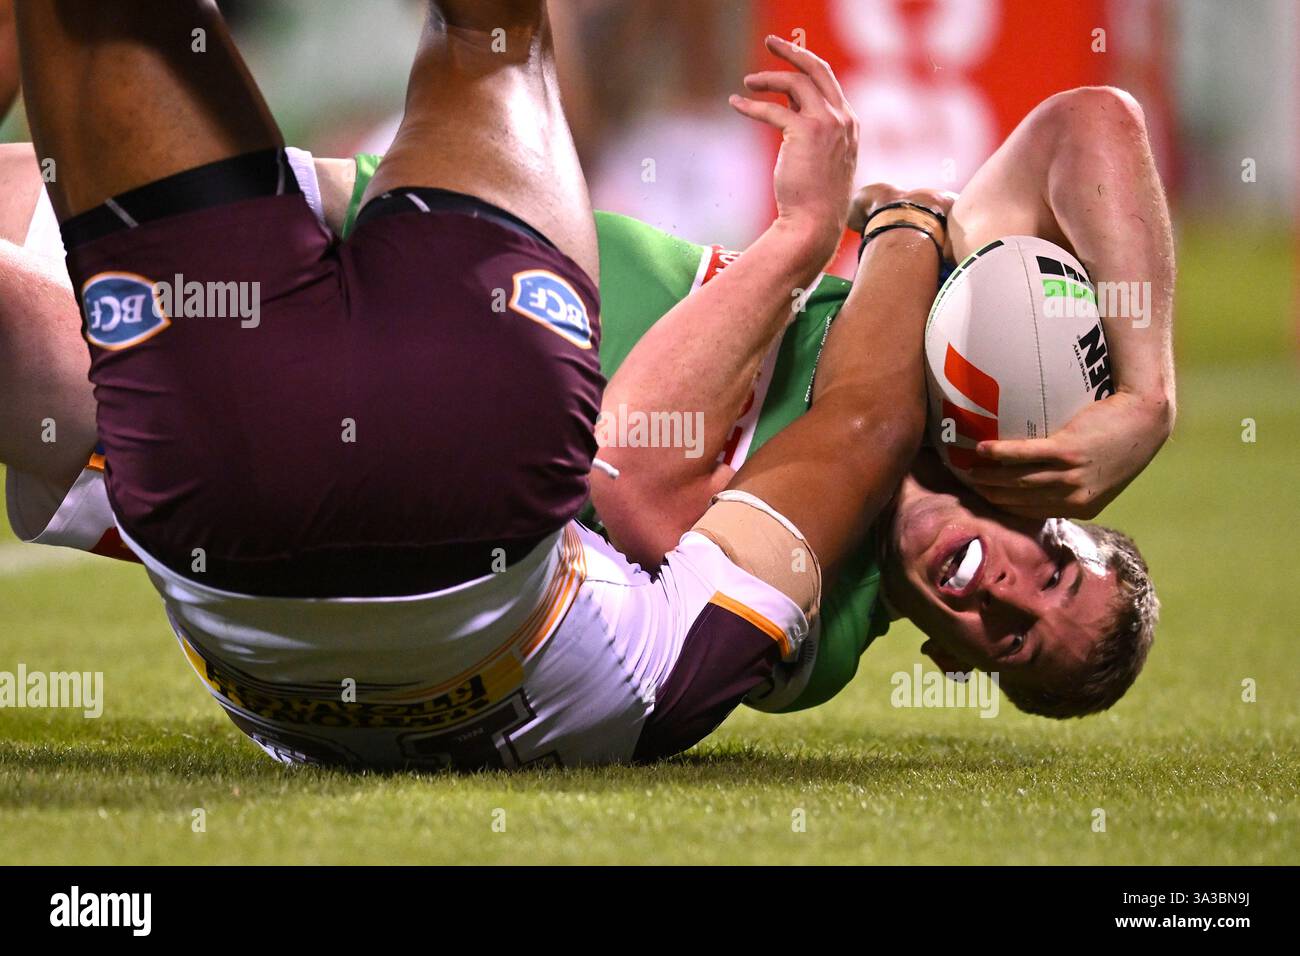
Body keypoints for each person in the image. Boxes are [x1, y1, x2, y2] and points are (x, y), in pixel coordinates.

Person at [1, 67, 1169, 725]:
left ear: (962, 667)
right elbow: (1088, 124)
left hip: (335, 424)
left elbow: (634, 471)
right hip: (392, 216)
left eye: (1014, 645)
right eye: (1052, 571)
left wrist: (870, 228)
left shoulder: (822, 639)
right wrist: (1145, 390)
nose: (1005, 599)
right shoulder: (968, 366)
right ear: (1047, 515)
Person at [12, 0, 934, 770]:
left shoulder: (722, 654)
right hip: (248, 485)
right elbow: (851, 431)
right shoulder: (729, 672)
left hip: (468, 432)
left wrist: (899, 221)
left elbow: (857, 424)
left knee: (492, 44)